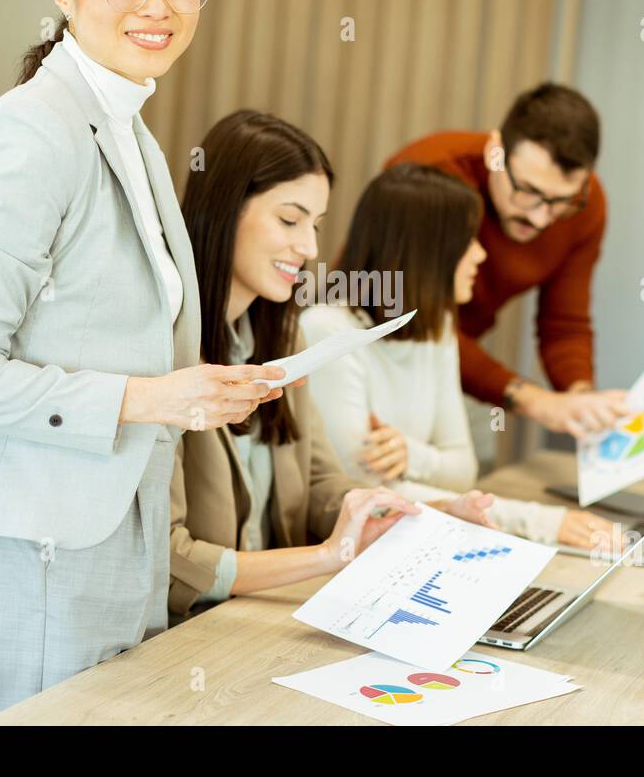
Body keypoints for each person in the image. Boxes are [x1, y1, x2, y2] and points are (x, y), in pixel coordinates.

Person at [0, 0, 285, 725]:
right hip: (38, 541)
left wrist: (198, 389)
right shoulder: (29, 129)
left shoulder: (131, 132)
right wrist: (151, 398)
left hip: (122, 529)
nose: (158, 1)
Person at [167, 111, 490, 614]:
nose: (310, 247)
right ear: (226, 208)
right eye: (290, 220)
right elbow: (170, 560)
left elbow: (322, 485)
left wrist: (419, 514)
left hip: (264, 616)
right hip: (187, 636)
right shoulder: (162, 350)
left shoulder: (284, 336)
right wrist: (323, 557)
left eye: (315, 226)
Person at [300, 164, 616, 550]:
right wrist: (540, 522)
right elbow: (361, 490)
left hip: (415, 543)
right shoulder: (328, 330)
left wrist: (409, 452)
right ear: (425, 252)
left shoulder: (437, 331)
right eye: (468, 240)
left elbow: (462, 472)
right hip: (351, 556)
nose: (481, 254)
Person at [385, 83, 629, 438]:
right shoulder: (431, 173)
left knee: (473, 481)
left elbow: (565, 323)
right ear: (495, 152)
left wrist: (581, 398)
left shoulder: (585, 206)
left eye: (561, 200)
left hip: (458, 365)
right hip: (381, 352)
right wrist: (534, 400)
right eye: (528, 191)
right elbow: (411, 316)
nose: (541, 218)